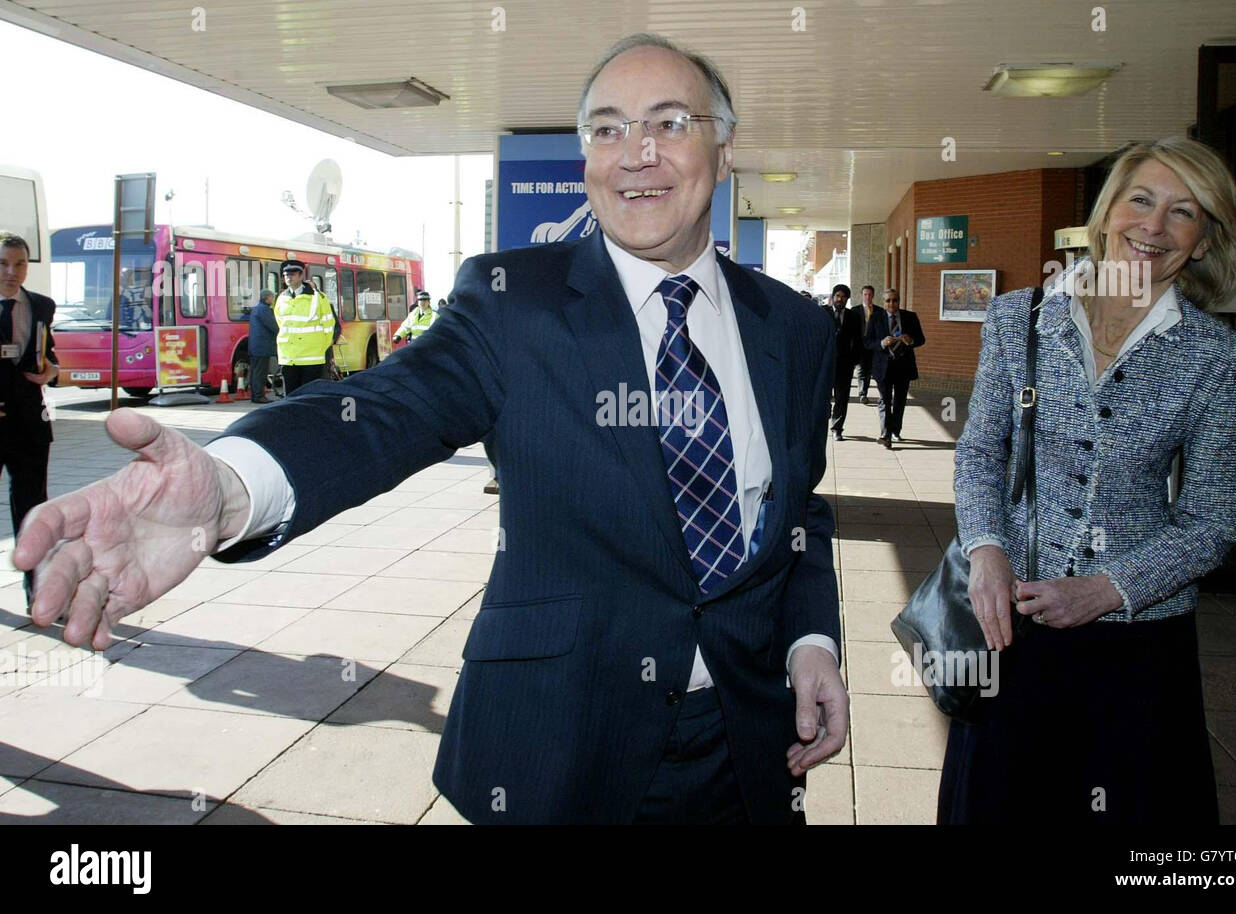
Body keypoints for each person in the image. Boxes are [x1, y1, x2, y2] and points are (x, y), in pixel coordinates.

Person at [16, 32, 847, 826]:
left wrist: (812, 639)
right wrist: (229, 490)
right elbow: (386, 407)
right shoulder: (514, 303)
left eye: (670, 122)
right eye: (607, 129)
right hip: (560, 753)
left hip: (747, 750)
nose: (637, 152)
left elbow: (796, 508)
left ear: (725, 148)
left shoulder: (793, 329)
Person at [943, 136, 1236, 824]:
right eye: (1140, 200)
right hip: (1011, 624)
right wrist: (987, 550)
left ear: (1202, 241)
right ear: (1106, 212)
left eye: (1183, 212)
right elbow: (978, 453)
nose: (1153, 226)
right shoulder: (1017, 318)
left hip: (1138, 652)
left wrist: (1107, 589)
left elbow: (1214, 519)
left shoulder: (1214, 356)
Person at [0, 233, 59, 612]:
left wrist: (52, 371)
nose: (11, 272)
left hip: (28, 426)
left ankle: (39, 591)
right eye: (4, 264)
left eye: (19, 264)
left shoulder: (40, 306)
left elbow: (47, 354)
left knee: (33, 511)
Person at [863, 288, 924, 448]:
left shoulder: (910, 317)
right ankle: (885, 434)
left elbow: (921, 339)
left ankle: (895, 429)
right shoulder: (876, 318)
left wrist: (910, 340)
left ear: (899, 301)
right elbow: (868, 342)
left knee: (899, 401)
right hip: (884, 366)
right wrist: (882, 343)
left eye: (894, 300)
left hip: (903, 366)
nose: (891, 303)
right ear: (883, 303)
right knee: (884, 400)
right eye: (888, 300)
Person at [274, 260, 336, 394]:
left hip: (311, 357)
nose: (288, 277)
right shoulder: (281, 298)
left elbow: (329, 325)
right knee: (290, 397)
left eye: (292, 274)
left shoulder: (319, 298)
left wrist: (320, 348)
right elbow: (281, 324)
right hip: (288, 357)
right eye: (286, 275)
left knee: (309, 396)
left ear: (301, 276)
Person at [821, 282, 864, 442]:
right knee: (823, 395)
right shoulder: (823, 312)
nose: (840, 299)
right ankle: (823, 421)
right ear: (832, 297)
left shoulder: (853, 316)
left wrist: (854, 360)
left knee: (842, 397)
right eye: (838, 296)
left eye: (843, 297)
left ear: (847, 299)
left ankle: (837, 428)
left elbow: (858, 340)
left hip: (845, 365)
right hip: (826, 363)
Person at [248, 290, 278, 403]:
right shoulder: (264, 310)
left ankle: (255, 395)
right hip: (262, 347)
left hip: (256, 347)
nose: (273, 299)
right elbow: (273, 326)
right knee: (260, 373)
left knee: (255, 372)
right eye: (272, 297)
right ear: (267, 298)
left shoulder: (257, 308)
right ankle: (259, 396)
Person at [855, 284, 877, 403]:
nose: (867, 297)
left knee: (869, 369)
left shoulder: (879, 311)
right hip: (860, 345)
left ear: (873, 296)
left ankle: (865, 390)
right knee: (862, 369)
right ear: (862, 295)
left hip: (873, 345)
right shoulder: (855, 311)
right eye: (865, 294)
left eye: (869, 294)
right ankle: (862, 393)